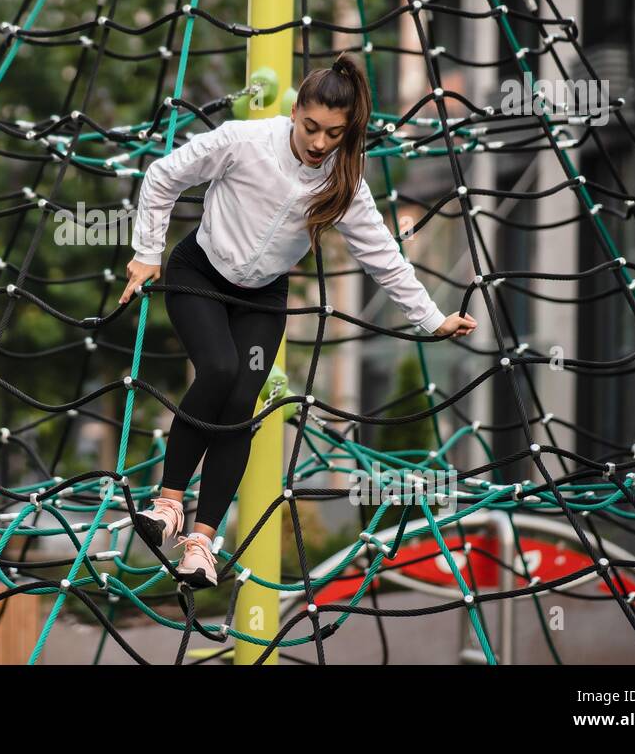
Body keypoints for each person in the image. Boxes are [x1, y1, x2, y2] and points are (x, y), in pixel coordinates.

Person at [118, 53, 478, 587]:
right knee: (218, 370)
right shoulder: (244, 141)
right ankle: (168, 504)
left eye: (333, 133)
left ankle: (202, 542)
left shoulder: (344, 182)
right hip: (200, 273)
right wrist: (146, 251)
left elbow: (383, 256)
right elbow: (162, 175)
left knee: (242, 401)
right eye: (311, 127)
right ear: (295, 114)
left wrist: (430, 320)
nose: (319, 142)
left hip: (263, 296)